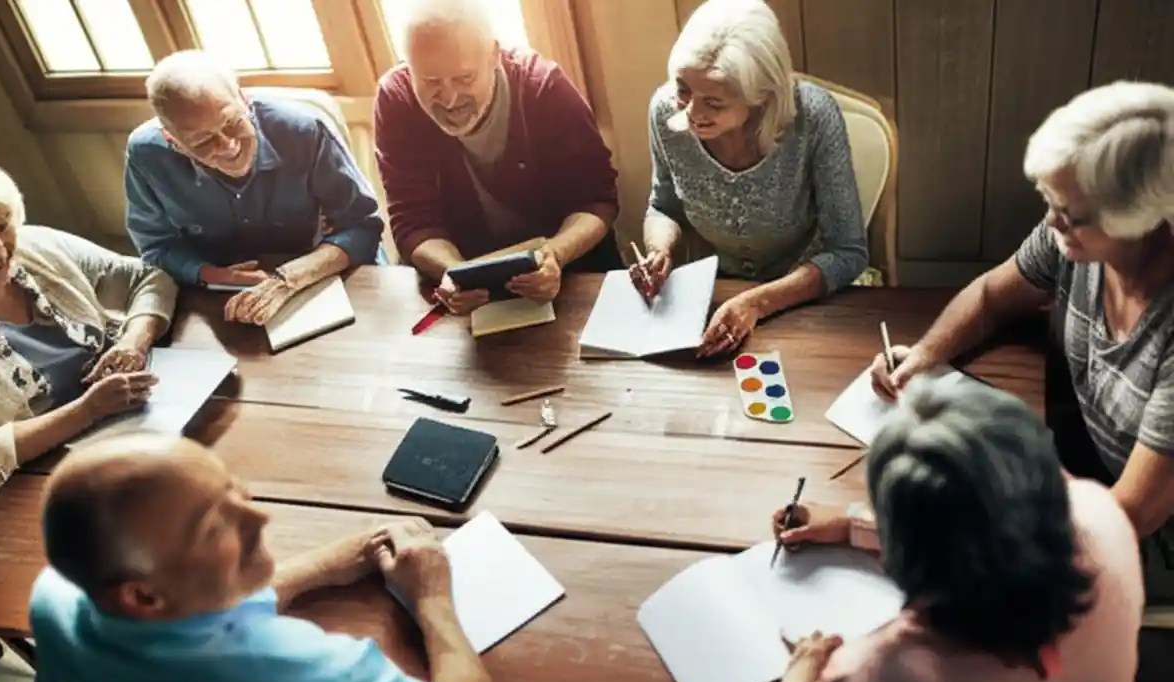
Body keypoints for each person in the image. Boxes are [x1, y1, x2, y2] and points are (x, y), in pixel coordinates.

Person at [867, 81, 1174, 547]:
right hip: (1082, 465)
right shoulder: (1069, 236)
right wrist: (928, 356)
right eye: (1049, 202)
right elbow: (992, 294)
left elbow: (1127, 515)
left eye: (1069, 213)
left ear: (1142, 216)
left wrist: (993, 466)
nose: (1052, 223)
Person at [31, 434, 506, 682]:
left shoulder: (54, 595)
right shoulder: (322, 679)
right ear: (141, 595)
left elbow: (197, 610)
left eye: (235, 490)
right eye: (214, 527)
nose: (260, 519)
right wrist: (432, 597)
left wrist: (322, 566)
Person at [766, 378, 1142, 682]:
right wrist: (853, 526)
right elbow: (996, 520)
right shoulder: (1103, 514)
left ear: (907, 563)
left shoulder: (875, 680)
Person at [0, 148, 175, 547]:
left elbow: (149, 279)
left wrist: (134, 339)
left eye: (3, 225)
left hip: (121, 433)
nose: (1, 250)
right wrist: (88, 409)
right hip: (27, 491)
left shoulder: (37, 247)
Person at [634, 0, 867, 358]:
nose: (692, 113)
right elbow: (663, 207)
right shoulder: (666, 112)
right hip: (722, 293)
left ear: (761, 96)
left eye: (713, 102)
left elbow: (848, 252)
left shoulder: (813, 117)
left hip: (806, 295)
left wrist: (757, 303)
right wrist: (659, 251)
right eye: (683, 89)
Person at [374, 0, 620, 316]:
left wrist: (554, 256)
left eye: (464, 78)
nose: (449, 100)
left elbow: (597, 201)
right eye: (431, 82)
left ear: (494, 56)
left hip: (567, 275)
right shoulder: (396, 100)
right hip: (466, 291)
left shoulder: (543, 87)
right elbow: (412, 222)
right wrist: (454, 272)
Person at [125, 50, 383, 326]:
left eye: (232, 122)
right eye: (203, 142)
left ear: (244, 100)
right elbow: (156, 246)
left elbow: (363, 225)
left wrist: (289, 278)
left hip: (317, 278)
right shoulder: (146, 155)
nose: (228, 146)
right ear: (172, 140)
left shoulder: (303, 130)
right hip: (222, 299)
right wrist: (210, 274)